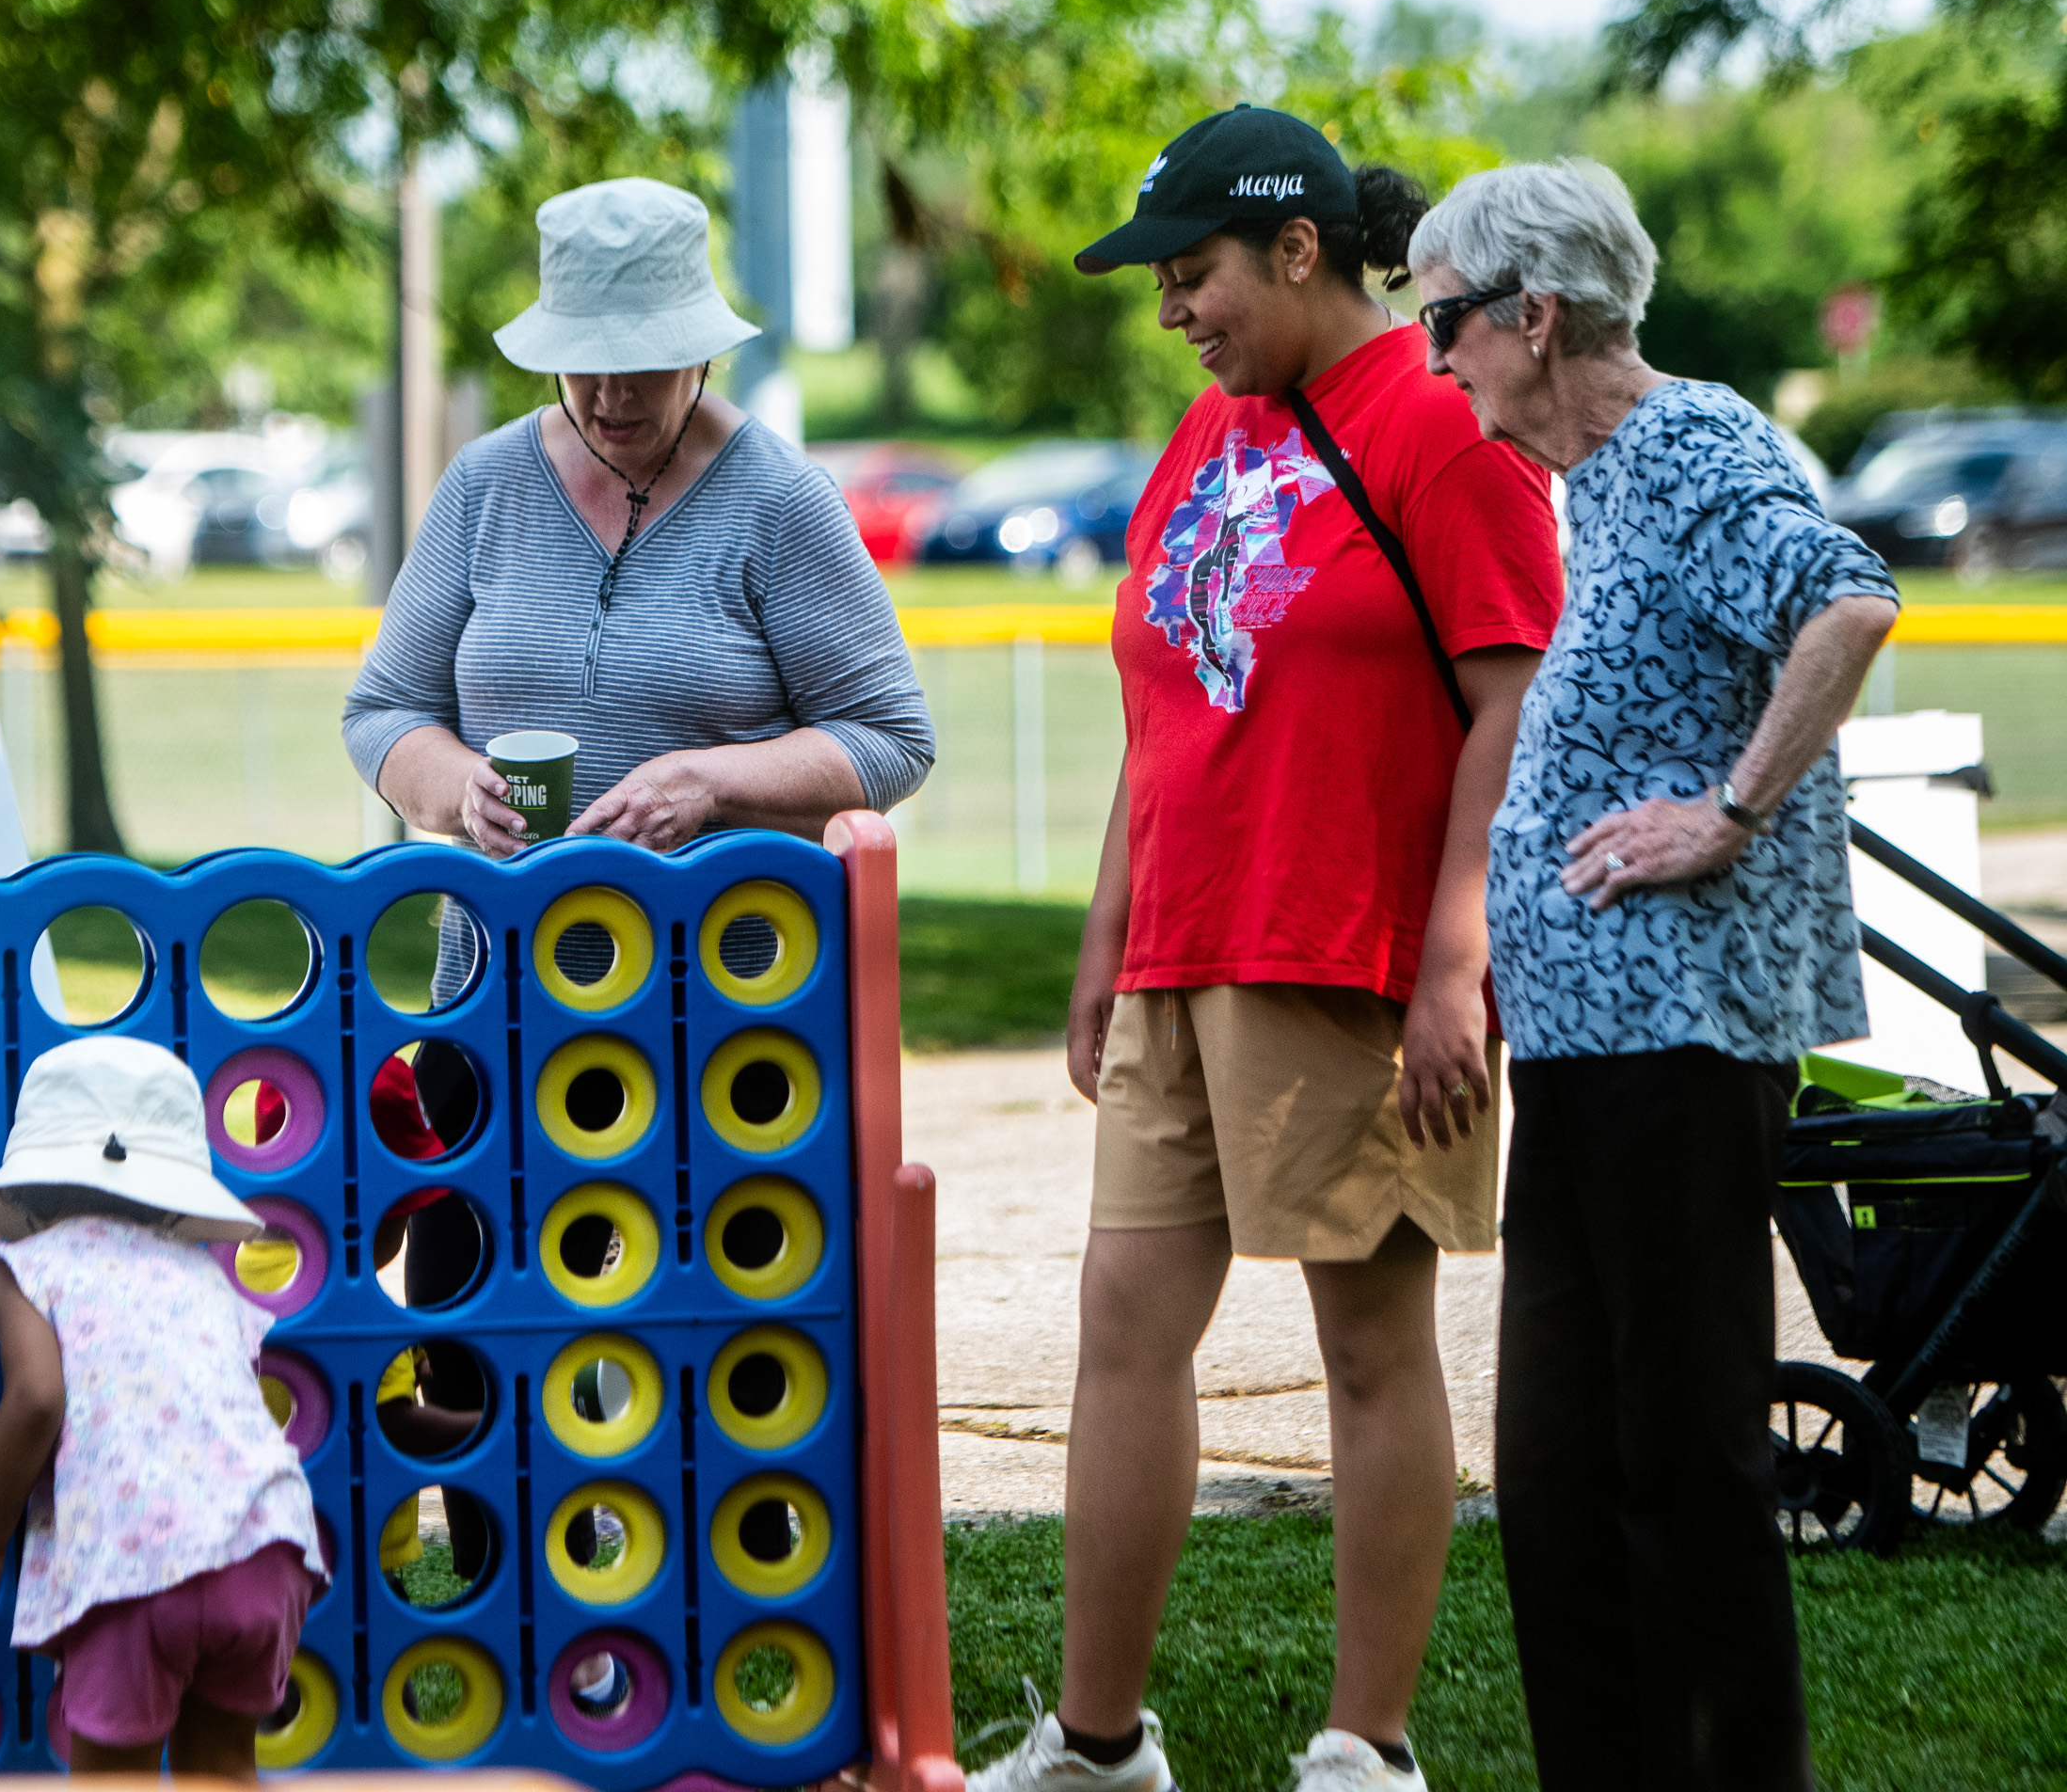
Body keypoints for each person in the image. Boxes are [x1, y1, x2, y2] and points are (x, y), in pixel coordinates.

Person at [971, 106, 1563, 1792]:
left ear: (1298, 251)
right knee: (1124, 1326)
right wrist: (1108, 935)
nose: (1176, 309)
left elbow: (1514, 703)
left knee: (1370, 1347)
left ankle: (1364, 1746)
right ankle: (1100, 1746)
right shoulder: (1208, 429)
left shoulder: (1445, 436)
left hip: (1352, 950)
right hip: (1185, 947)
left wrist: (1455, 963)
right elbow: (1167, 696)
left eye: (1195, 273)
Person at [342, 174, 933, 1542]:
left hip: (719, 1010)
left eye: (641, 366)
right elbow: (382, 709)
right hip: (492, 998)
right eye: (582, 367)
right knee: (477, 1313)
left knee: (720, 1325)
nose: (609, 397)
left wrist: (710, 781)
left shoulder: (780, 500)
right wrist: (455, 790)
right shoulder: (486, 486)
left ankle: (738, 1602)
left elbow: (892, 736)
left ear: (703, 346)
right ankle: (505, 1601)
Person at [1410, 159, 1897, 1792]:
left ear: (1534, 316)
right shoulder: (1601, 477)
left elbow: (1847, 598)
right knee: (1559, 1468)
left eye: (1449, 325)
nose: (1438, 361)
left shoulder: (1688, 446)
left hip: (1680, 1039)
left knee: (1677, 1460)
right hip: (1593, 1047)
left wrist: (1729, 811)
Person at [0, 1037, 327, 1777]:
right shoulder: (201, 1276)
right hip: (267, 1545)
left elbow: (37, 1398)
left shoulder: (26, 1265)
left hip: (137, 1558)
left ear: (31, 1186)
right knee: (223, 1771)